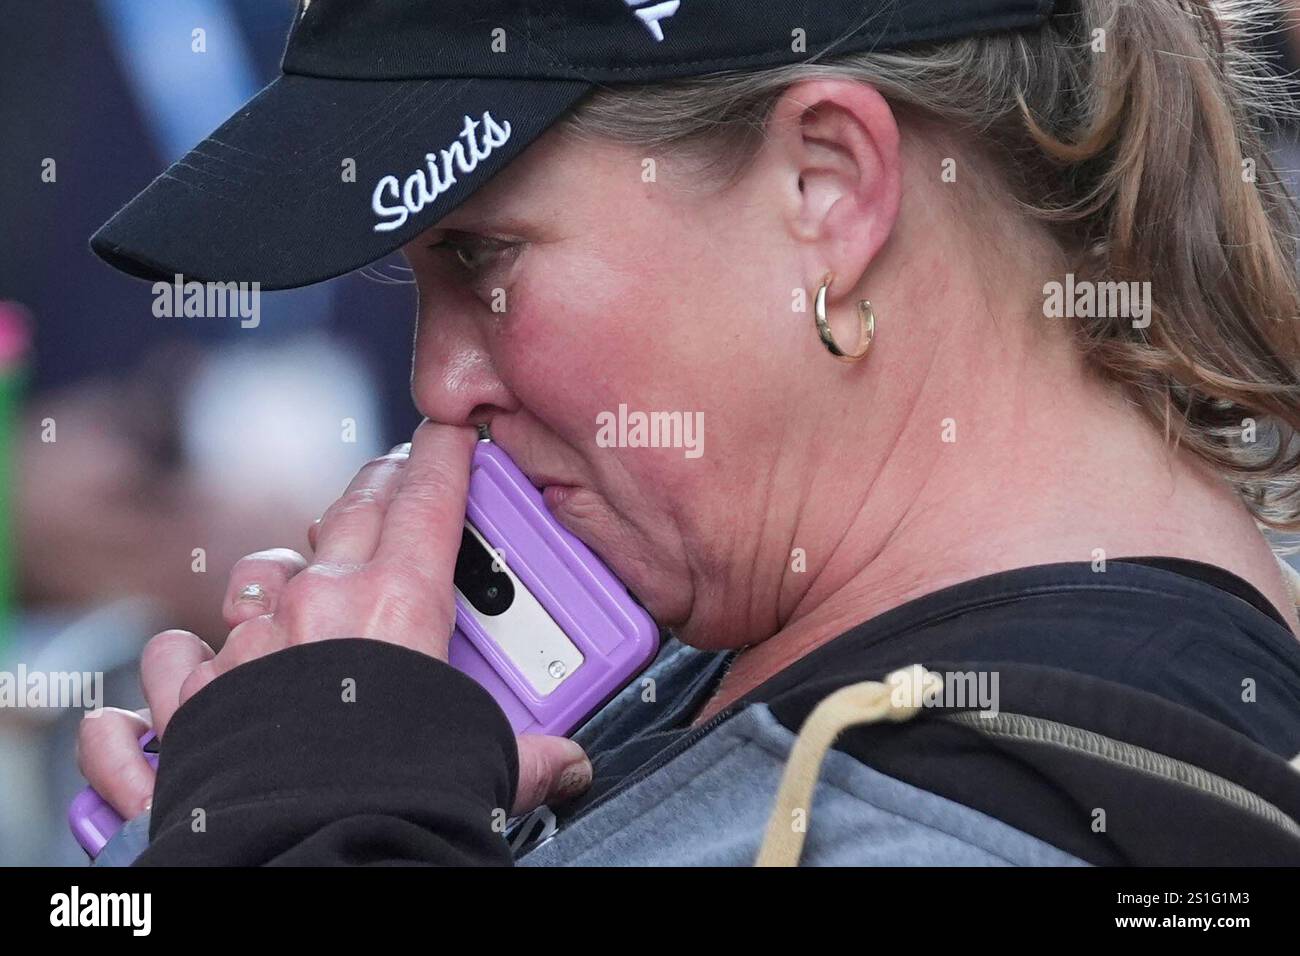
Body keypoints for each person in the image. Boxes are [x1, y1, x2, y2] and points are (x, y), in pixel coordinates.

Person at [77, 0, 1300, 866]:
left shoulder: (1022, 804)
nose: (440, 383)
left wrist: (300, 810)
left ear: (826, 186)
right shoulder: (733, 630)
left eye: (481, 256)